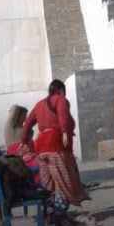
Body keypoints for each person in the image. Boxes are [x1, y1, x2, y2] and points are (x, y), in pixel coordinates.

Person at [21, 80, 91, 216]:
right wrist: (65, 131)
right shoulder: (60, 100)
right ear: (62, 90)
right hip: (57, 147)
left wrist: (24, 140)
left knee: (48, 184)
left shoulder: (39, 104)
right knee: (63, 182)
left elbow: (28, 123)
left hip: (40, 148)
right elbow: (63, 116)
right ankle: (59, 215)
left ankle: (49, 213)